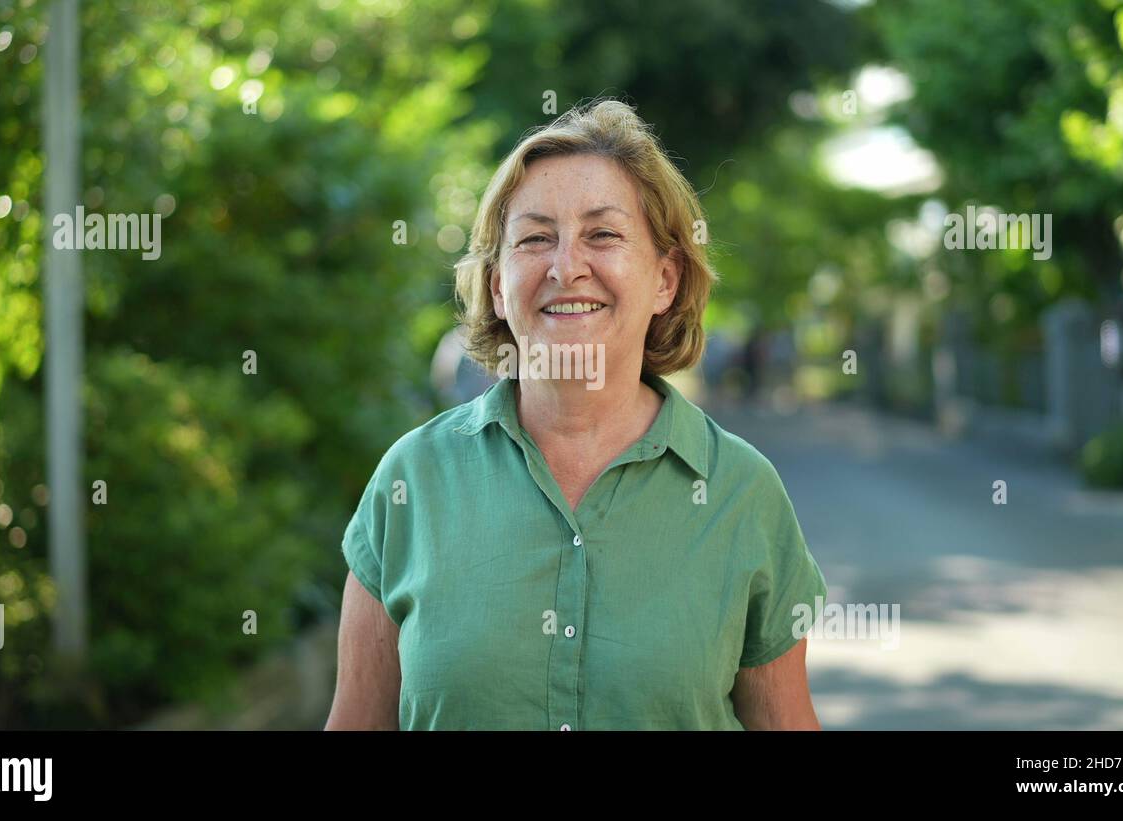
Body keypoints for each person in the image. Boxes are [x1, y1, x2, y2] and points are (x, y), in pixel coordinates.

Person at [325, 99, 827, 730]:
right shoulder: (412, 481)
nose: (567, 267)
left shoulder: (741, 493)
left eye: (604, 235)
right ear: (498, 286)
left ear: (665, 280)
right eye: (535, 238)